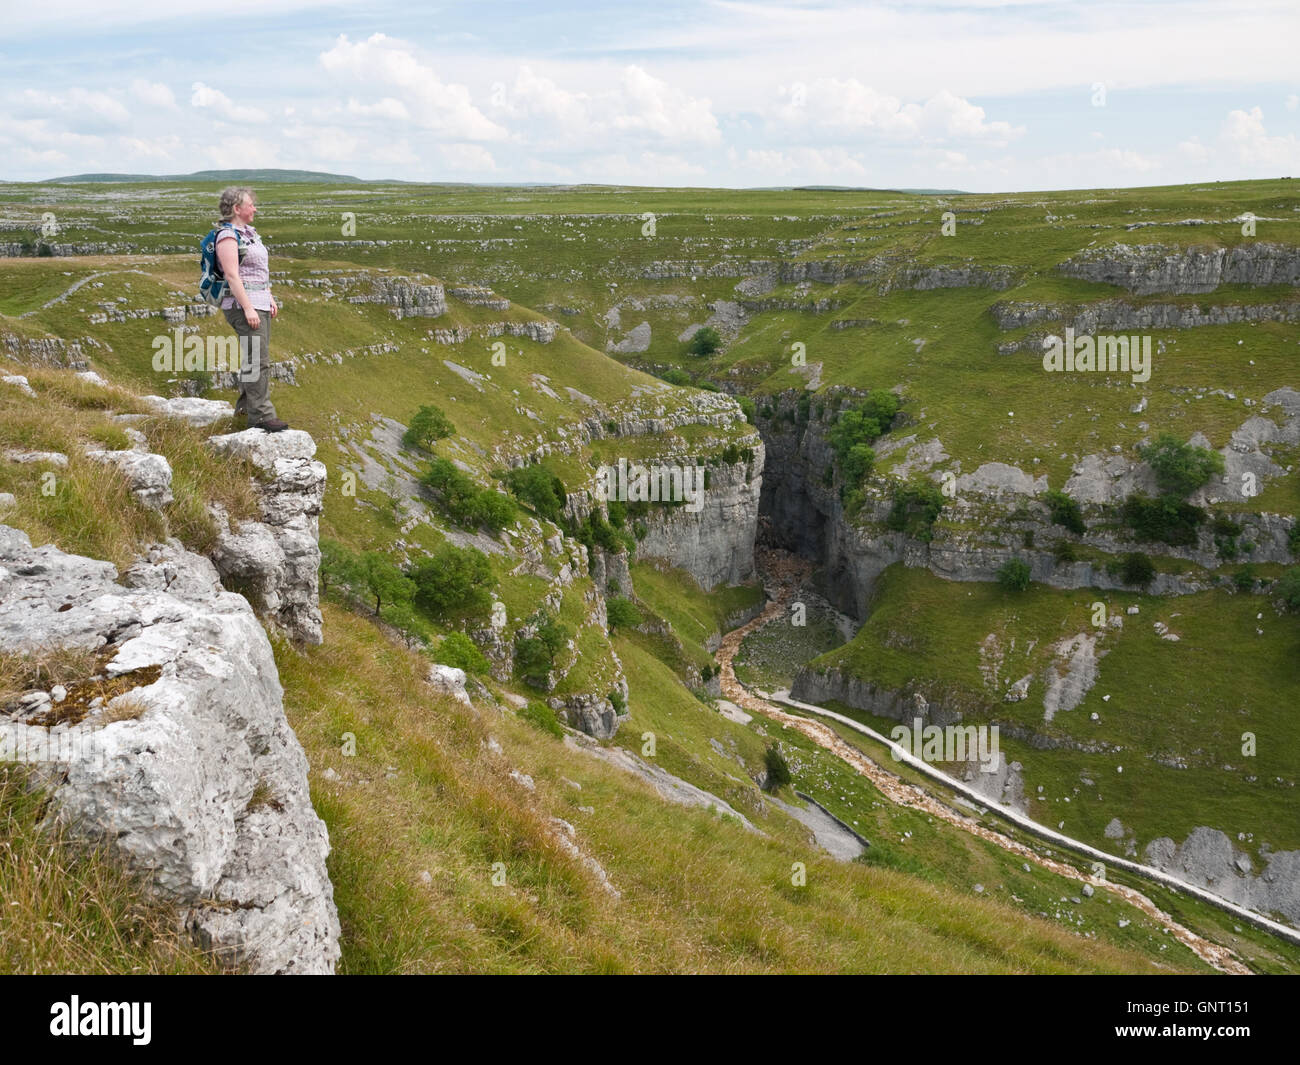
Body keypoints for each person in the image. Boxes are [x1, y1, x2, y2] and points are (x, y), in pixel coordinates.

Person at [214, 186, 289, 432]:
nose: (254, 208)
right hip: (243, 305)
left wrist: (269, 297)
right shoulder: (227, 236)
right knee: (259, 361)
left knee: (253, 359)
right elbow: (233, 276)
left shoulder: (250, 234)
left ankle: (245, 410)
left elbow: (259, 272)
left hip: (260, 303)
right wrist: (248, 308)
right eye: (250, 204)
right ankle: (261, 416)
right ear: (237, 209)